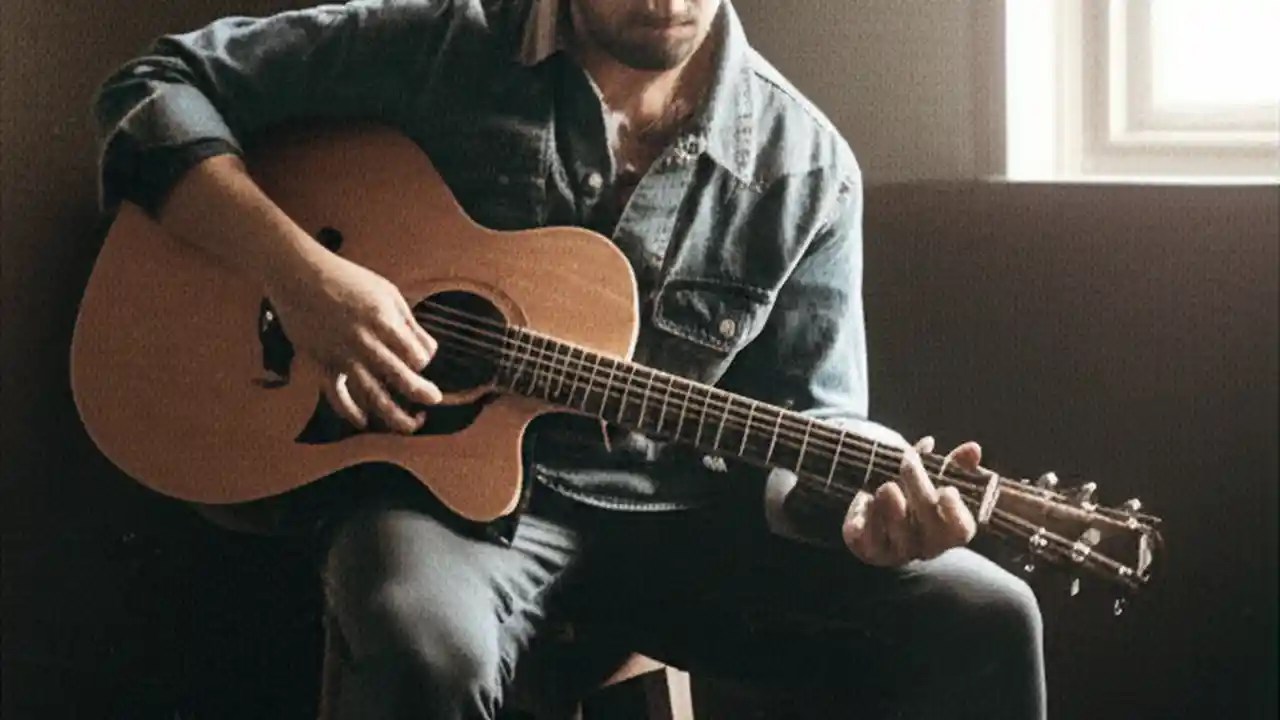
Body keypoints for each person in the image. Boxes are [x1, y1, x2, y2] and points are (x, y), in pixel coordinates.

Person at [94, 0, 1045, 717]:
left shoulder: (806, 167)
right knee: (424, 646)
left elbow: (815, 416)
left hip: (675, 523)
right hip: (444, 509)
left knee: (990, 617)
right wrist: (303, 278)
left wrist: (858, 520)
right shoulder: (433, 48)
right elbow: (152, 91)